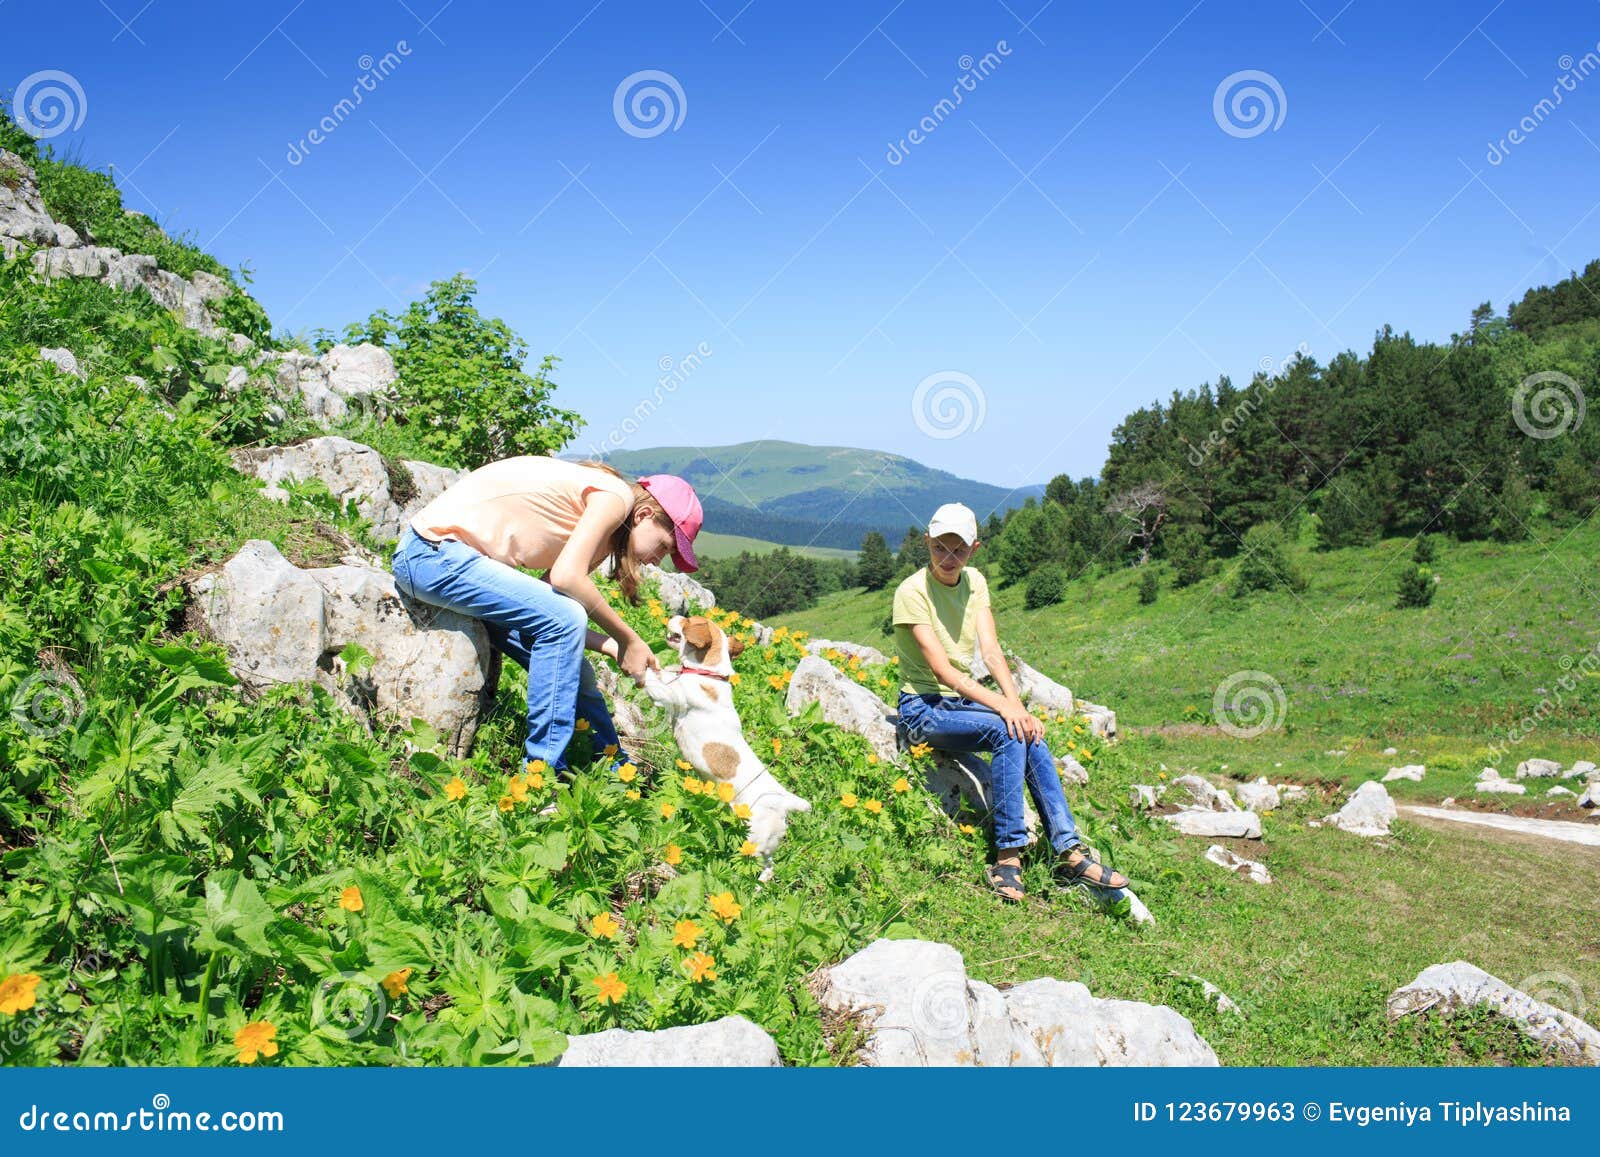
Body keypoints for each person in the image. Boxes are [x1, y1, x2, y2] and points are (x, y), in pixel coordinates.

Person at [390, 455, 703, 775]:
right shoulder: (615, 498)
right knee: (567, 617)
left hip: (457, 565)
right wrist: (629, 638)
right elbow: (567, 580)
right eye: (665, 547)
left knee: (574, 661)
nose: (657, 561)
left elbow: (547, 612)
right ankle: (542, 776)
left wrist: (612, 646)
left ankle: (613, 765)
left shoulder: (607, 531)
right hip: (431, 554)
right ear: (645, 515)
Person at [892, 502, 1127, 902]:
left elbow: (993, 652)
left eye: (959, 550)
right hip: (923, 709)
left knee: (1027, 732)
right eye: (940, 548)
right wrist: (1005, 708)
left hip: (962, 706)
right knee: (1008, 729)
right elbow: (944, 673)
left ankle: (1068, 850)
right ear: (926, 542)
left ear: (975, 549)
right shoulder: (911, 592)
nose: (949, 558)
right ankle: (1008, 856)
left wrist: (1017, 706)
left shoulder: (976, 582)